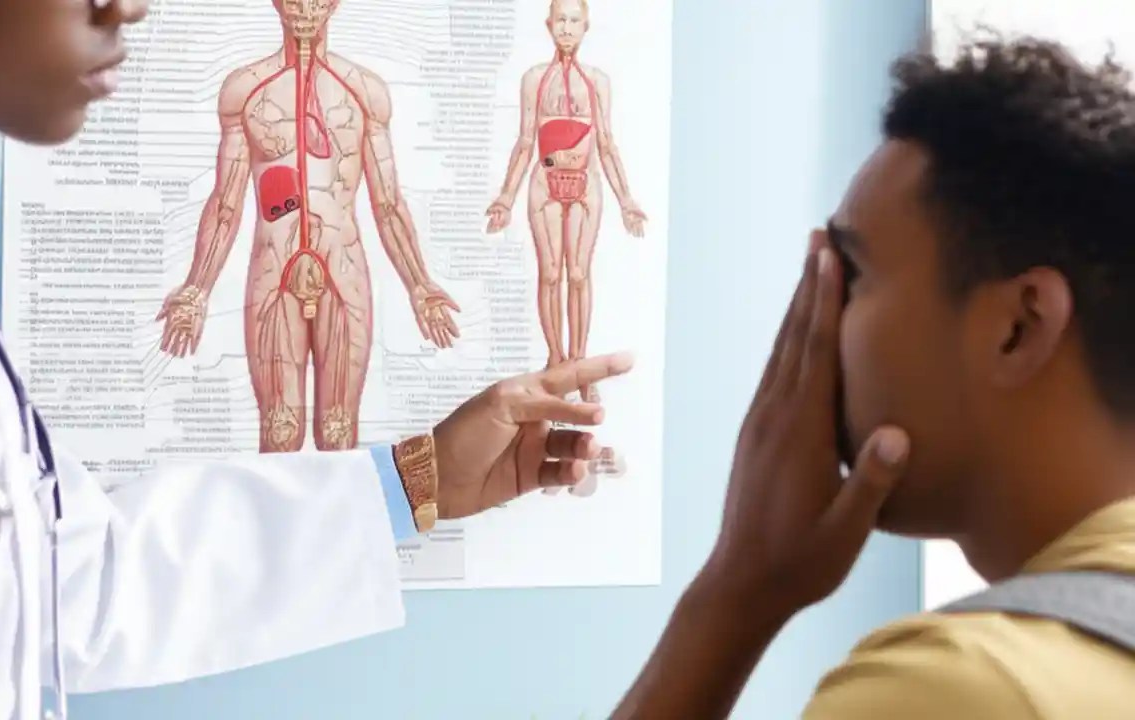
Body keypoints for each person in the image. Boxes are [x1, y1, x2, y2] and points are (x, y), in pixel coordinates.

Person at [0, 1, 632, 718]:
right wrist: (196, 288)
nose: (126, 5)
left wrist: (417, 480)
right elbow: (228, 201)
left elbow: (70, 583)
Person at [613, 34, 1135, 719]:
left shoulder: (954, 689)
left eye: (848, 276)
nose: (813, 326)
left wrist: (735, 595)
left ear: (1020, 326)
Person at [155, 0, 461, 453]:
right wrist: (196, 289)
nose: (305, 9)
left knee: (339, 430)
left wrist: (420, 284)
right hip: (273, 269)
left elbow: (388, 203)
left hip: (343, 264)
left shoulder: (365, 93)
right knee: (280, 430)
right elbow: (226, 202)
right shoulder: (245, 90)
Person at [485, 0, 646, 404]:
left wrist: (627, 199)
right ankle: (556, 359)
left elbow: (606, 143)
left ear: (586, 26)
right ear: (549, 25)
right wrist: (505, 196)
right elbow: (525, 140)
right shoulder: (534, 78)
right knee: (551, 273)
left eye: (575, 21)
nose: (568, 29)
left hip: (587, 183)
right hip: (545, 182)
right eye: (561, 21)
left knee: (578, 273)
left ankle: (579, 361)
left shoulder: (598, 80)